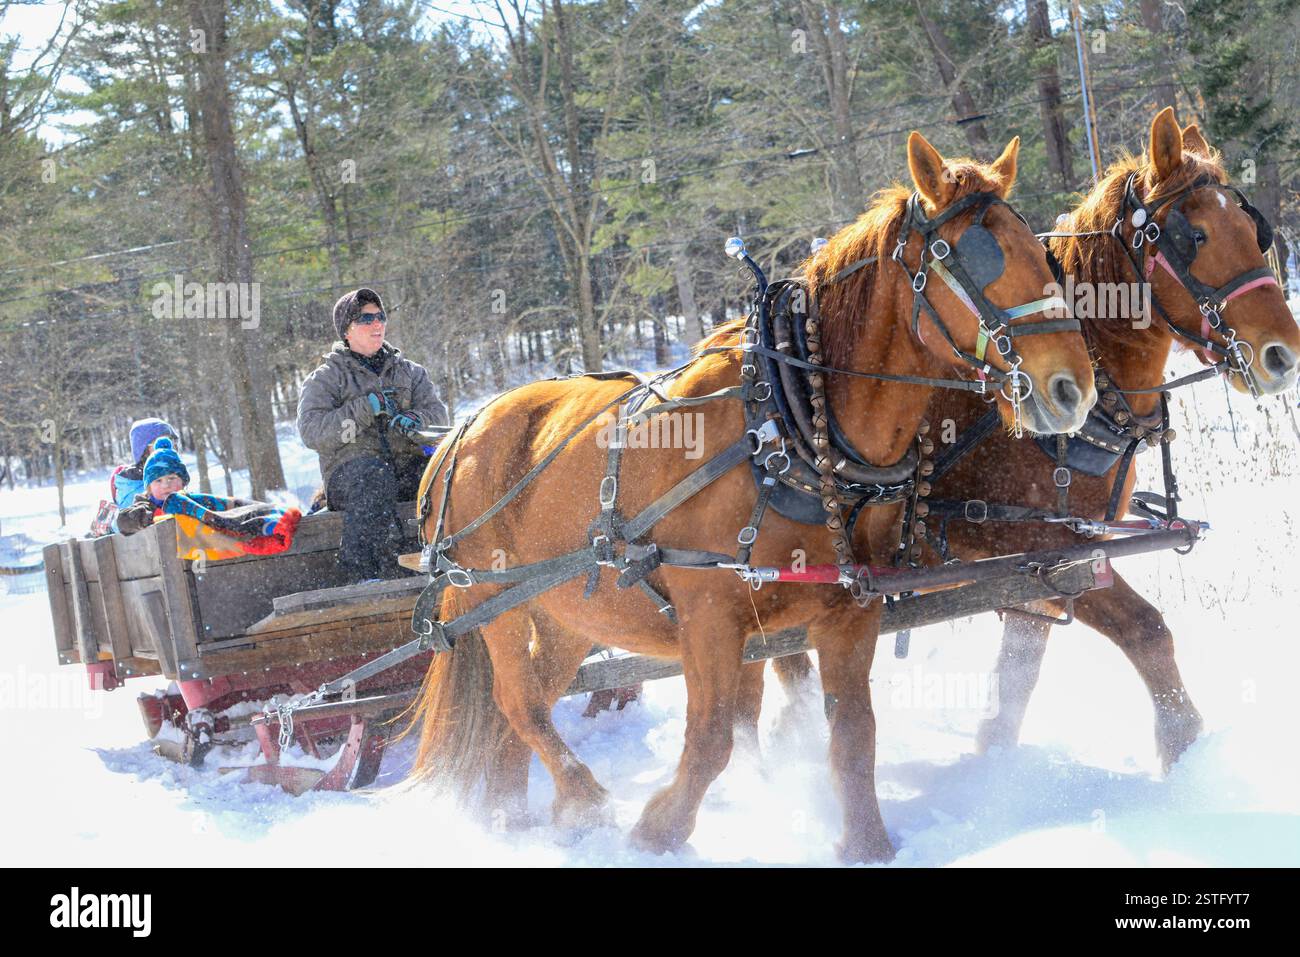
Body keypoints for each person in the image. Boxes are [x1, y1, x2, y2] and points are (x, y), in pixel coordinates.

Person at [296, 287, 448, 580]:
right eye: (366, 319)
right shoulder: (327, 378)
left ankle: (442, 561)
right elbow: (312, 431)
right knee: (374, 476)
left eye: (380, 317)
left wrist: (414, 420)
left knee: (442, 474)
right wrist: (365, 408)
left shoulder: (411, 373)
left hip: (403, 466)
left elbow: (438, 416)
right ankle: (363, 573)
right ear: (347, 331)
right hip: (350, 476)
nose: (377, 324)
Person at [116, 438, 301, 557]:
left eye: (172, 478)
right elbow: (124, 522)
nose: (166, 484)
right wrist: (140, 518)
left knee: (233, 518)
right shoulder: (144, 505)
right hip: (167, 558)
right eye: (158, 480)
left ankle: (266, 524)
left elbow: (226, 509)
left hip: (200, 558)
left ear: (182, 482)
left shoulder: (192, 502)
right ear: (148, 487)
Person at [89, 418, 177, 536]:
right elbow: (124, 520)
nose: (170, 448)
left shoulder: (173, 477)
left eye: (172, 443)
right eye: (161, 443)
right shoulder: (134, 485)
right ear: (144, 451)